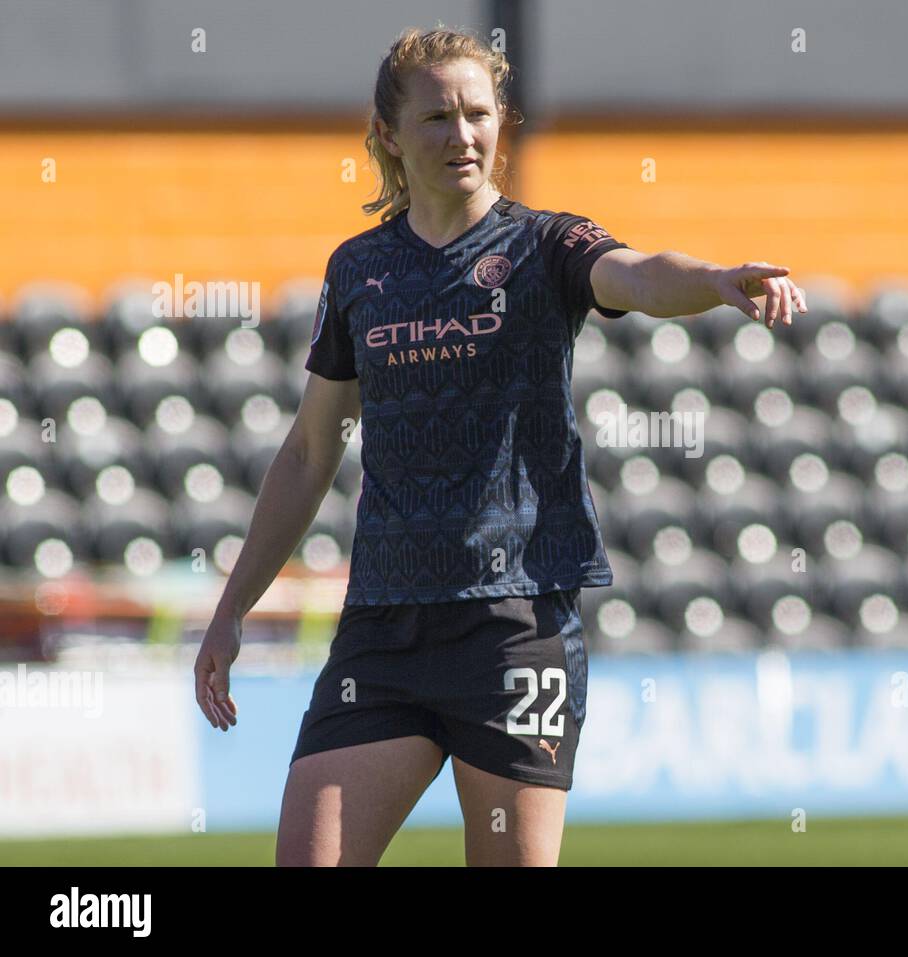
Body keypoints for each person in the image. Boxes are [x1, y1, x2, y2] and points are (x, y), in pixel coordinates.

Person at [191, 26, 807, 866]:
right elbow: (309, 452)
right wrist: (230, 612)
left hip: (514, 623)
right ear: (388, 135)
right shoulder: (358, 270)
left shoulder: (544, 246)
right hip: (384, 626)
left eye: (478, 112)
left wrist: (714, 280)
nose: (462, 134)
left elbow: (638, 273)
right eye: (438, 116)